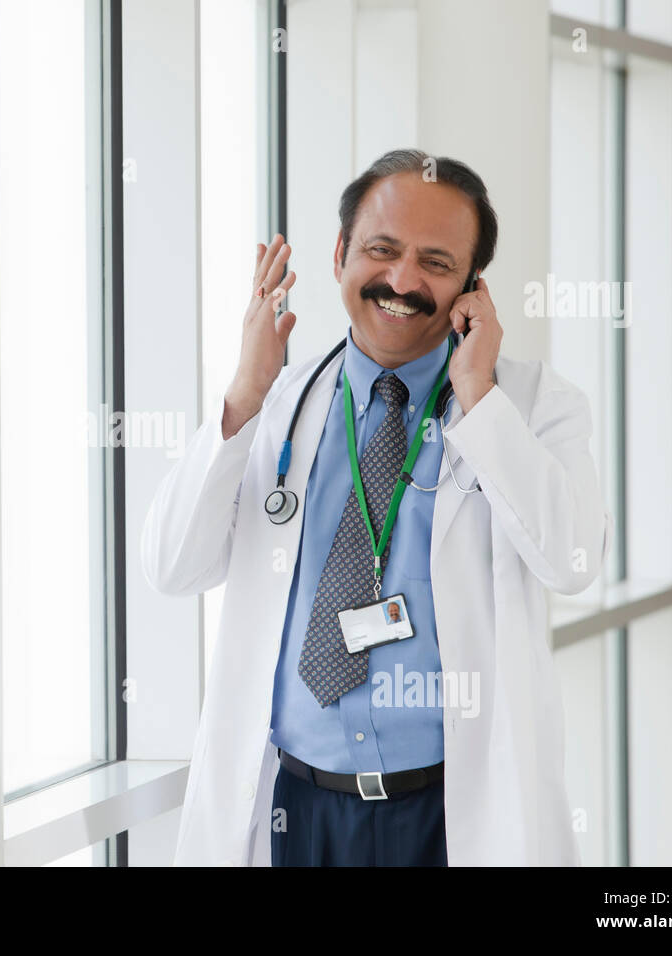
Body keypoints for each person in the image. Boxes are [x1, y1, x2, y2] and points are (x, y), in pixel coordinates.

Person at [141, 149, 612, 866]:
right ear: (340, 254)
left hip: (450, 819)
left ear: (472, 287)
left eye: (436, 262)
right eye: (382, 250)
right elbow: (172, 567)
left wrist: (479, 398)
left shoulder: (531, 406)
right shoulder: (276, 404)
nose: (401, 281)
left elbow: (573, 562)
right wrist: (242, 395)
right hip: (294, 813)